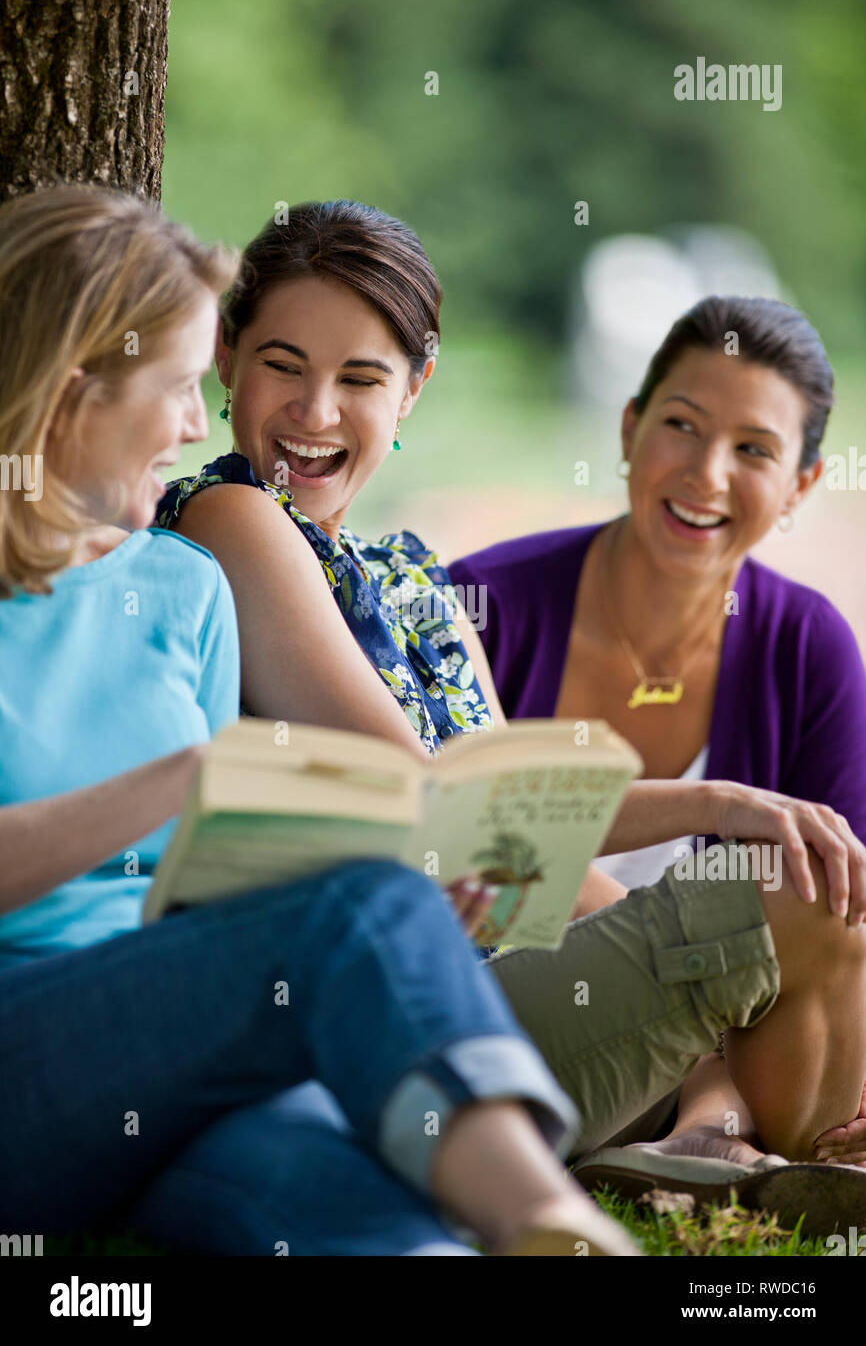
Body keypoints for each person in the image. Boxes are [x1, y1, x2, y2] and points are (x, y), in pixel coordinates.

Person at [155, 201, 866, 1223]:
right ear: (225, 357)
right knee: (786, 878)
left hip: (509, 987)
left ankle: (730, 1144)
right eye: (282, 363)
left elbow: (540, 848)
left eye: (360, 378)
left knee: (812, 886)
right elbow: (443, 804)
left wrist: (712, 1062)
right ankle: (785, 1156)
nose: (314, 412)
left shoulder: (411, 578)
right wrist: (722, 802)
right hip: (401, 1021)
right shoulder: (234, 519)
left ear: (413, 389)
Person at [0, 182, 645, 1259]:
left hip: (179, 1046)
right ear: (72, 395)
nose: (198, 425)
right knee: (353, 910)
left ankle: (537, 1236)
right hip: (28, 1060)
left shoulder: (182, 586)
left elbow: (193, 891)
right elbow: (180, 795)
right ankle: (546, 1207)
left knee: (370, 1222)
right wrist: (182, 781)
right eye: (174, 387)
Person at [449, 295, 866, 1182]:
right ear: (631, 430)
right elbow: (475, 848)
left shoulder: (807, 644)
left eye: (754, 449)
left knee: (823, 882)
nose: (707, 474)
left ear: (799, 484)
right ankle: (711, 1130)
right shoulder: (486, 603)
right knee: (779, 876)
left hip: (749, 1064)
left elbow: (845, 909)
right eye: (682, 425)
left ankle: (752, 1147)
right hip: (518, 1010)